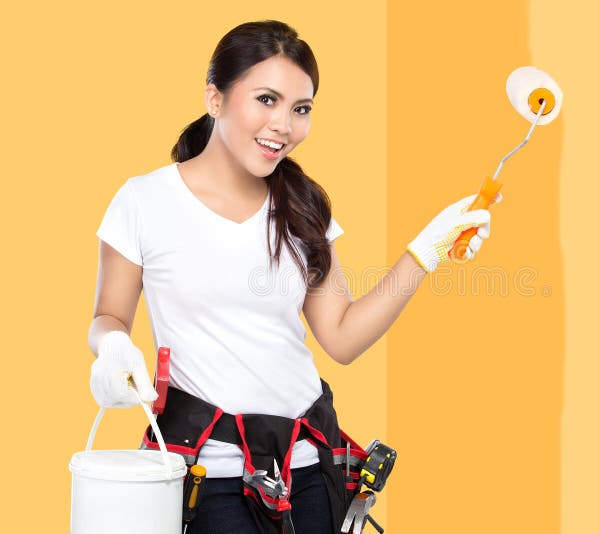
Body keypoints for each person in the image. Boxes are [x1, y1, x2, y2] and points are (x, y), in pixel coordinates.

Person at [87, 20, 495, 534]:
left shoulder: (303, 206)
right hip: (208, 478)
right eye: (266, 100)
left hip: (310, 473)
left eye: (301, 109)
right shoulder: (144, 201)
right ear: (215, 98)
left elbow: (342, 337)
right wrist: (112, 346)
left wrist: (425, 252)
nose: (283, 125)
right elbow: (109, 316)